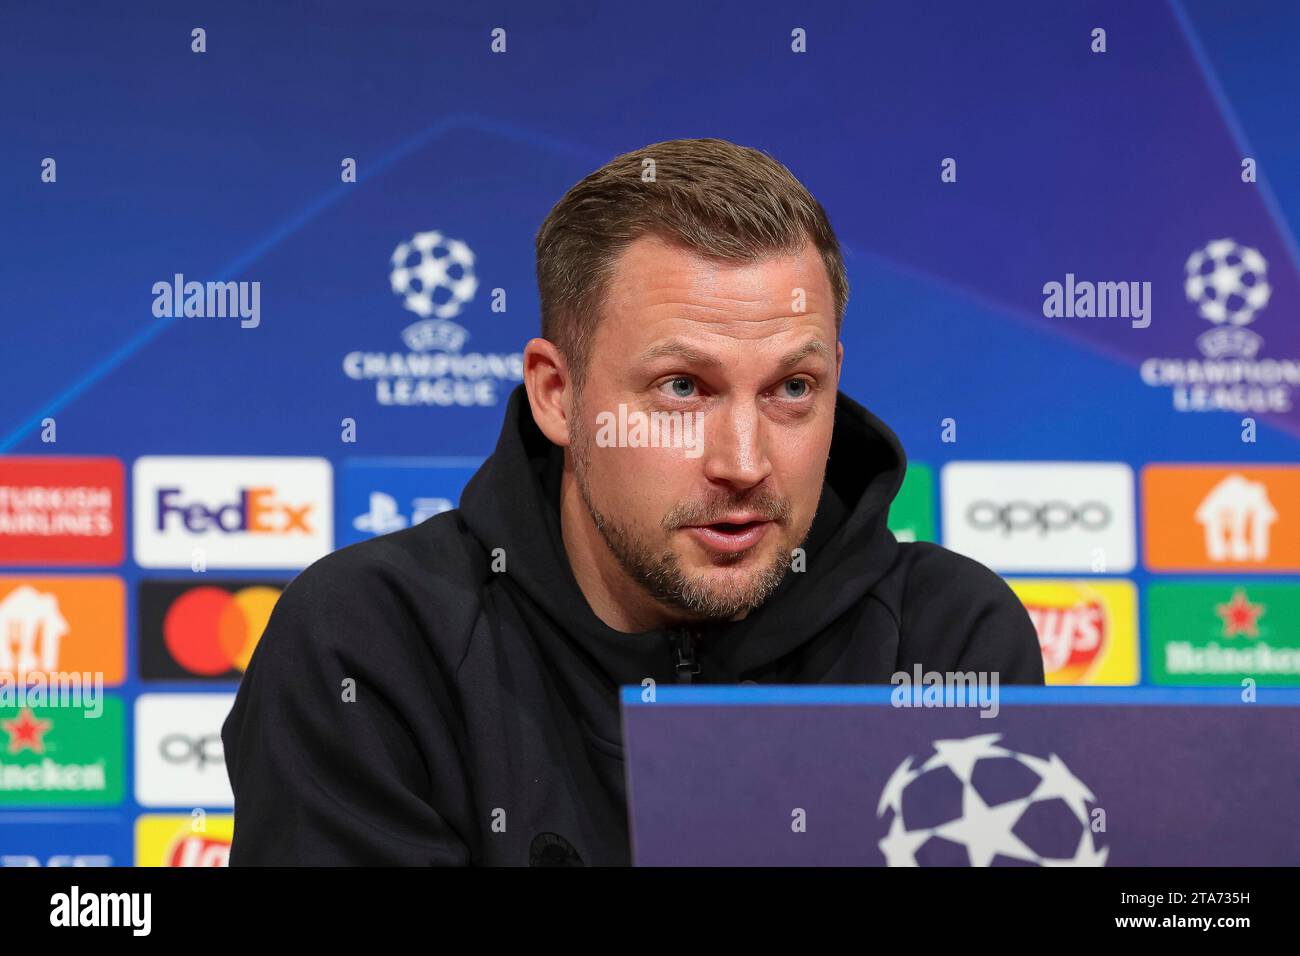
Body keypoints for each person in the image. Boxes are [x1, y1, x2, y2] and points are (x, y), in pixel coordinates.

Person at [221, 137, 1043, 866]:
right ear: (556, 393)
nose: (744, 462)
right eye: (682, 388)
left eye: (793, 389)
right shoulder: (369, 643)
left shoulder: (946, 637)